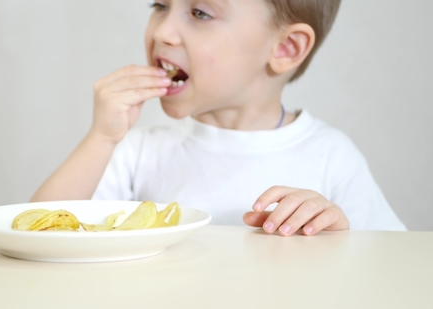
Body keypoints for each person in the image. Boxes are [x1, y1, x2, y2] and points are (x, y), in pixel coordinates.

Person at [31, 0, 407, 236]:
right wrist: (101, 138)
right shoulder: (140, 151)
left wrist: (337, 232)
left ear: (285, 48)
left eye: (199, 13)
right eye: (159, 5)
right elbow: (34, 231)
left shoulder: (332, 156)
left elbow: (391, 270)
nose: (162, 31)